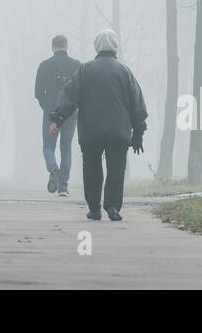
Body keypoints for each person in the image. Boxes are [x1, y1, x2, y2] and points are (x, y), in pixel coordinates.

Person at [50, 29, 147, 222]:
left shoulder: (85, 70)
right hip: (118, 130)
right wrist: (138, 132)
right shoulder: (124, 71)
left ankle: (94, 208)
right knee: (116, 169)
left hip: (91, 130)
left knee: (92, 168)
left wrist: (58, 120)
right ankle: (112, 206)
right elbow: (137, 104)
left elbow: (69, 96)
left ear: (97, 47)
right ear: (115, 47)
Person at [35, 35, 80, 196]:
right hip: (70, 114)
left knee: (48, 147)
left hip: (50, 113)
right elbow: (79, 91)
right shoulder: (76, 65)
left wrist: (46, 106)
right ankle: (63, 186)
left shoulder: (44, 65)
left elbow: (38, 92)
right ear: (66, 46)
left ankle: (53, 168)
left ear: (52, 47)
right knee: (66, 149)